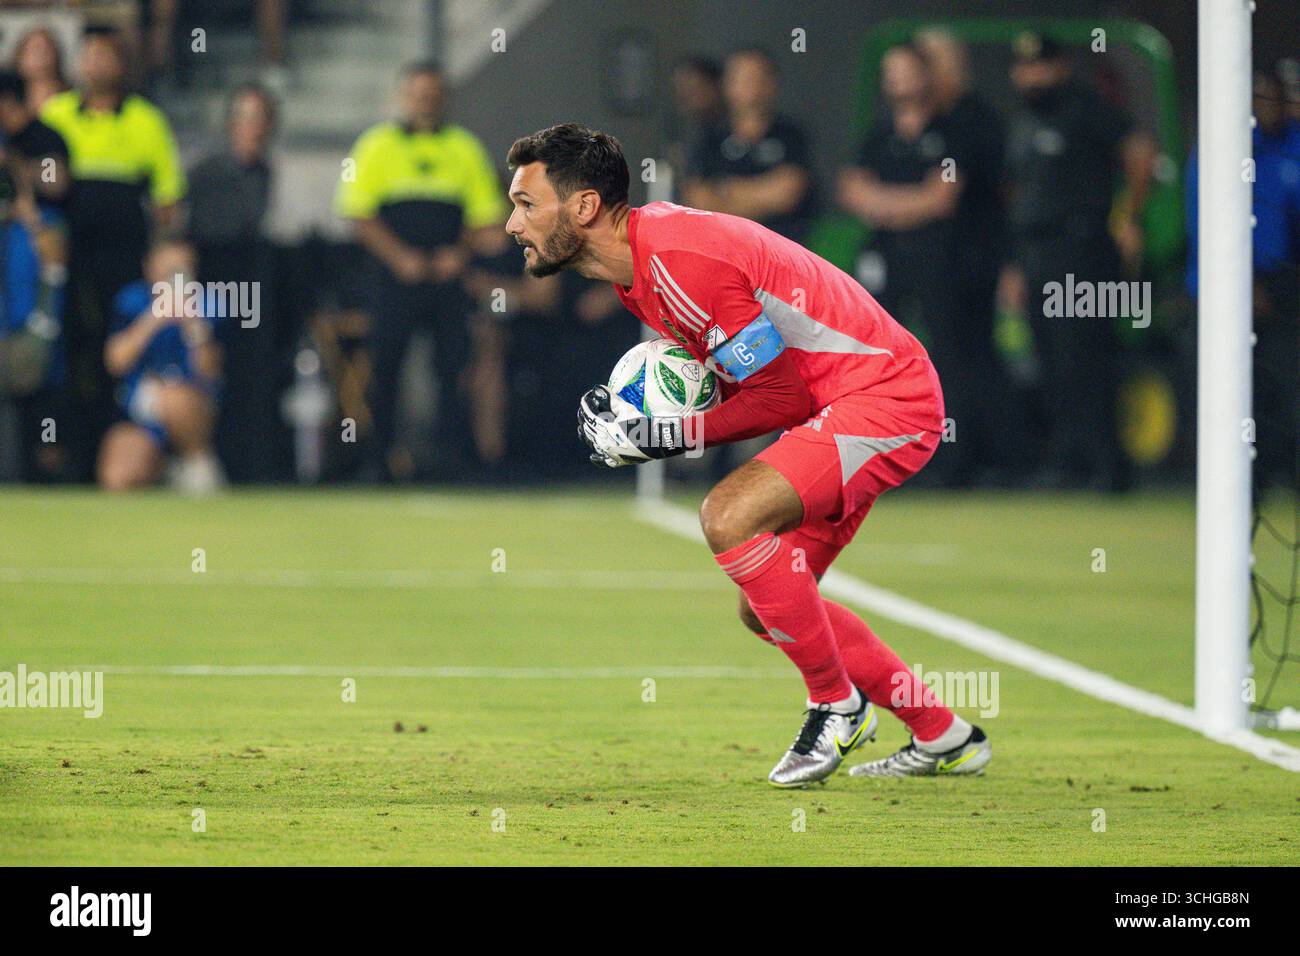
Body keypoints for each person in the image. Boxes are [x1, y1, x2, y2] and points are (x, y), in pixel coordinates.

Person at [506, 123, 991, 785]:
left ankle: (836, 706)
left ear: (585, 207)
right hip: (849, 401)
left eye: (527, 204)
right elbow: (755, 372)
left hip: (882, 397)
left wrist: (664, 436)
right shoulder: (643, 266)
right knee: (770, 608)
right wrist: (641, 424)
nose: (512, 223)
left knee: (727, 515)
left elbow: (780, 396)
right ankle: (946, 737)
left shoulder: (677, 262)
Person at [336, 61, 508, 482]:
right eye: (417, 93)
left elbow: (486, 216)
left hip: (449, 281)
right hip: (393, 280)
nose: (424, 101)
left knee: (453, 368)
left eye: (432, 93)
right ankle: (378, 463)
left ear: (443, 97)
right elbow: (357, 213)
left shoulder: (465, 148)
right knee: (385, 368)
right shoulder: (376, 145)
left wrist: (458, 255)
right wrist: (399, 258)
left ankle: (451, 462)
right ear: (403, 97)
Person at [1000, 33, 1156, 492]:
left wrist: (1128, 216)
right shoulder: (1024, 120)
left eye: (1042, 65)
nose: (1032, 75)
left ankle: (1110, 465)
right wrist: (1014, 263)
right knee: (1049, 358)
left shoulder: (1087, 108)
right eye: (1024, 67)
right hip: (1034, 252)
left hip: (1082, 251)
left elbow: (1141, 152)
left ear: (1061, 67)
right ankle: (1070, 460)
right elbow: (1017, 194)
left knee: (1085, 357)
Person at [41, 29, 186, 480]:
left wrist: (162, 260)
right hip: (69, 261)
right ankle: (66, 456)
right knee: (71, 353)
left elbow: (167, 202)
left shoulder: (146, 121)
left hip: (124, 263)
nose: (97, 66)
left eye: (107, 57)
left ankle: (119, 453)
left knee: (118, 353)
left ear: (122, 64)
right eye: (90, 56)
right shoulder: (57, 115)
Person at [1186, 68, 1300, 491]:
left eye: (1273, 99)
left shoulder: (1292, 147)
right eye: (1257, 100)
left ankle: (1276, 473)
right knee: (1229, 392)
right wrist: (1240, 282)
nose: (1266, 109)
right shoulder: (1218, 151)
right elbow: (1204, 223)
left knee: (1282, 385)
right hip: (1223, 285)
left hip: (1281, 284)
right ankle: (1230, 483)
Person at [186, 84, 280, 482]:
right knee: (212, 371)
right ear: (231, 123)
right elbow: (191, 238)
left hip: (258, 287)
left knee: (254, 375)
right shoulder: (206, 173)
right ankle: (208, 460)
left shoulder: (269, 173)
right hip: (215, 287)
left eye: (261, 118)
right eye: (246, 117)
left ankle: (252, 465)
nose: (254, 127)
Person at [98, 239, 224, 493]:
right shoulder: (132, 300)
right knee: (116, 476)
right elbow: (115, 362)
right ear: (149, 269)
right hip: (142, 413)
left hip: (193, 407)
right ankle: (165, 470)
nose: (172, 279)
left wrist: (193, 325)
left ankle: (197, 463)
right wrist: (155, 318)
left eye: (180, 270)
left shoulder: (209, 302)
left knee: (172, 398)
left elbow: (210, 372)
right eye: (166, 271)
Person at [680, 48, 814, 244]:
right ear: (726, 85)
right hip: (725, 250)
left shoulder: (791, 135)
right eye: (741, 78)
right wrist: (765, 192)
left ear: (773, 83)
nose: (751, 86)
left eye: (758, 77)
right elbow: (698, 202)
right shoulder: (710, 139)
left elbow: (788, 192)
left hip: (782, 248)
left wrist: (727, 192)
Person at [12, 26, 68, 114]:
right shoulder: (9, 99)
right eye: (35, 49)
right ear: (20, 57)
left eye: (46, 49)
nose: (40, 55)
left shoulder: (72, 98)